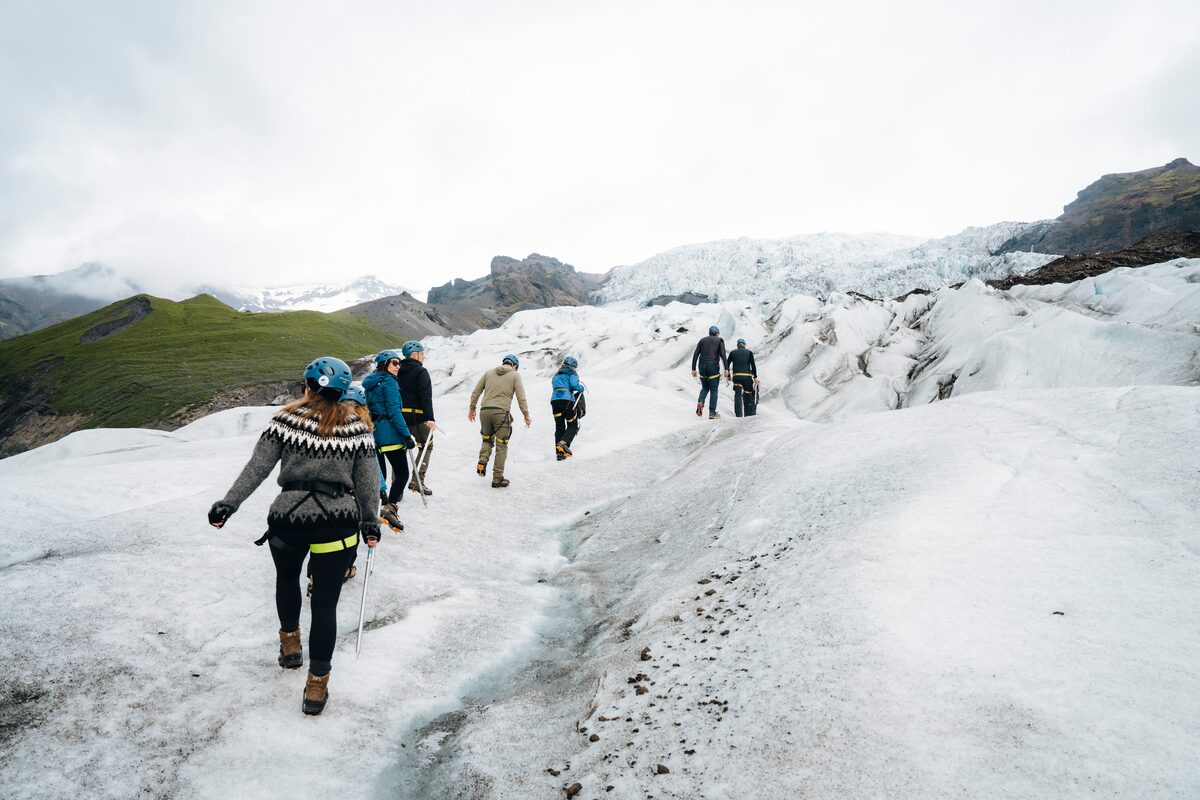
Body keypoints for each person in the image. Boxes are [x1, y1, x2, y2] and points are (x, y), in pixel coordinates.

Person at [207, 356, 380, 716]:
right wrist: (369, 523)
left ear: (309, 386)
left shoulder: (284, 420)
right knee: (325, 604)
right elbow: (367, 483)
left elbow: (257, 467)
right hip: (338, 523)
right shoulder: (357, 429)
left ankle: (290, 647)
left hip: (288, 518)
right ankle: (316, 686)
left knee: (287, 578)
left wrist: (229, 504)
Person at [363, 349, 415, 531]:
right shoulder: (389, 382)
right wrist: (407, 435)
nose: (398, 366)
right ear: (384, 364)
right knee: (402, 474)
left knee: (380, 477)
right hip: (390, 433)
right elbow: (394, 411)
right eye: (394, 362)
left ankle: (375, 509)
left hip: (374, 432)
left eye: (399, 363)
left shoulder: (371, 382)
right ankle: (389, 507)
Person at [468, 353, 531, 488]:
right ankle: (497, 478)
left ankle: (483, 459)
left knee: (487, 440)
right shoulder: (515, 375)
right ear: (514, 366)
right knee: (501, 445)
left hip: (484, 412)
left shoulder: (488, 373)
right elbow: (521, 398)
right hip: (501, 413)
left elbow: (475, 392)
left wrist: (472, 409)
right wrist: (526, 415)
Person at [396, 340, 436, 495]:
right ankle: (417, 480)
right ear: (415, 354)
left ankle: (397, 489)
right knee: (426, 445)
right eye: (422, 353)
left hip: (400, 417)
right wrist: (430, 417)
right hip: (418, 417)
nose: (423, 357)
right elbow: (426, 396)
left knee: (400, 450)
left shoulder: (396, 371)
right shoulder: (421, 371)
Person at [551, 355, 586, 460]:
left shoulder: (556, 374)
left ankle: (559, 453)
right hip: (567, 400)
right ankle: (563, 443)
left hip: (555, 401)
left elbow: (554, 384)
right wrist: (581, 388)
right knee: (573, 424)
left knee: (559, 426)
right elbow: (575, 385)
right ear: (573, 366)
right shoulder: (571, 372)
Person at [690, 324, 729, 420]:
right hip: (712, 366)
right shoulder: (719, 340)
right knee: (714, 390)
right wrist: (726, 369)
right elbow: (723, 355)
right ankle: (712, 413)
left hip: (702, 367)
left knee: (705, 387)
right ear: (717, 333)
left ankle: (700, 402)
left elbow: (696, 354)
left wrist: (693, 369)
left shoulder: (702, 340)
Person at [729, 338, 759, 417]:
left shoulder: (732, 352)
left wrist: (728, 374)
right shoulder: (749, 352)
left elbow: (727, 364)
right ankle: (748, 414)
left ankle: (738, 414)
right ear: (744, 345)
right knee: (748, 394)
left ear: (737, 345)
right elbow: (753, 365)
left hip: (737, 376)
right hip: (747, 377)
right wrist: (755, 376)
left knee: (738, 394)